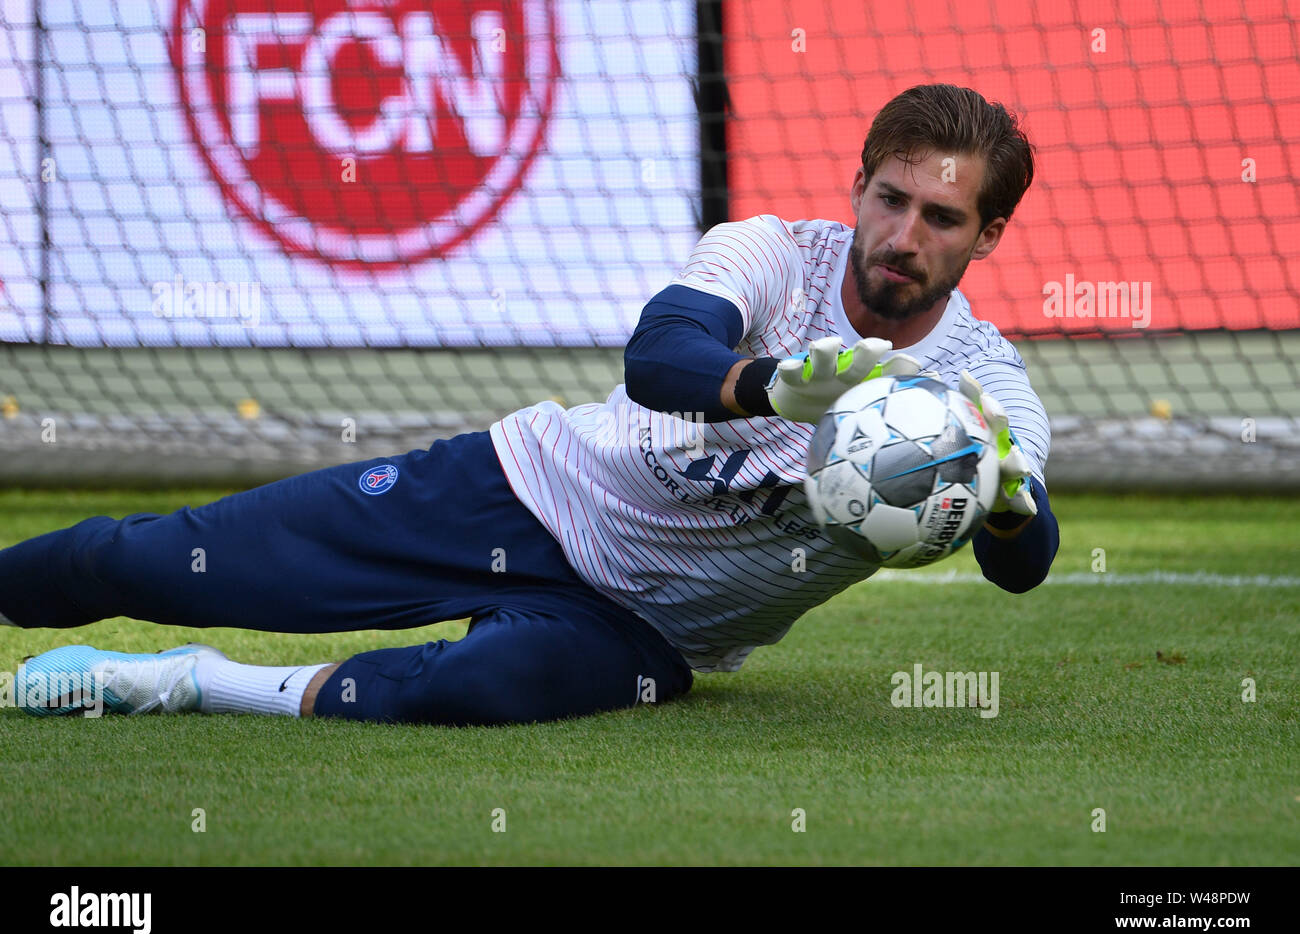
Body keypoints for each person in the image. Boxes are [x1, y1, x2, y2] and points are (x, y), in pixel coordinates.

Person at [4, 84, 1059, 725]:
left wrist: (1005, 496)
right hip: (522, 490)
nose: (902, 236)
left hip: (642, 630)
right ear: (858, 184)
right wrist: (770, 386)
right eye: (889, 198)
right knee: (154, 559)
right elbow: (658, 353)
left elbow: (1023, 562)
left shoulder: (980, 390)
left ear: (988, 234)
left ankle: (189, 681)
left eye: (940, 215)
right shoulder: (776, 255)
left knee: (464, 694)